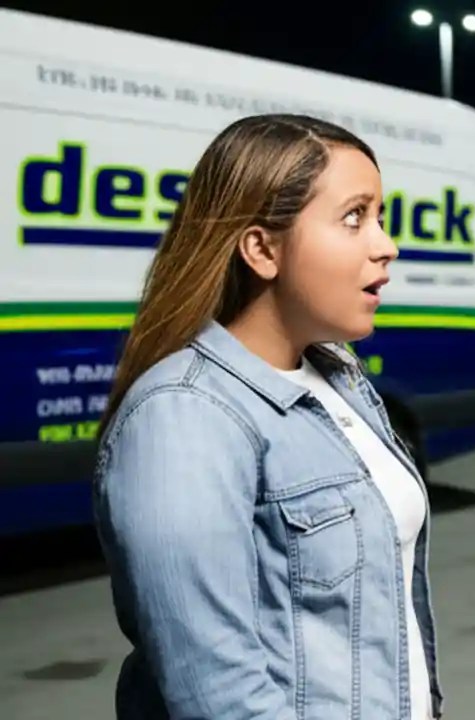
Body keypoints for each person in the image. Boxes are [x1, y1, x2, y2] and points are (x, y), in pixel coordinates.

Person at [94, 114, 442, 719]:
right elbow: (219, 699)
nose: (385, 244)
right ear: (261, 248)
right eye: (354, 217)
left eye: (380, 217)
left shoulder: (339, 375)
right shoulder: (184, 417)